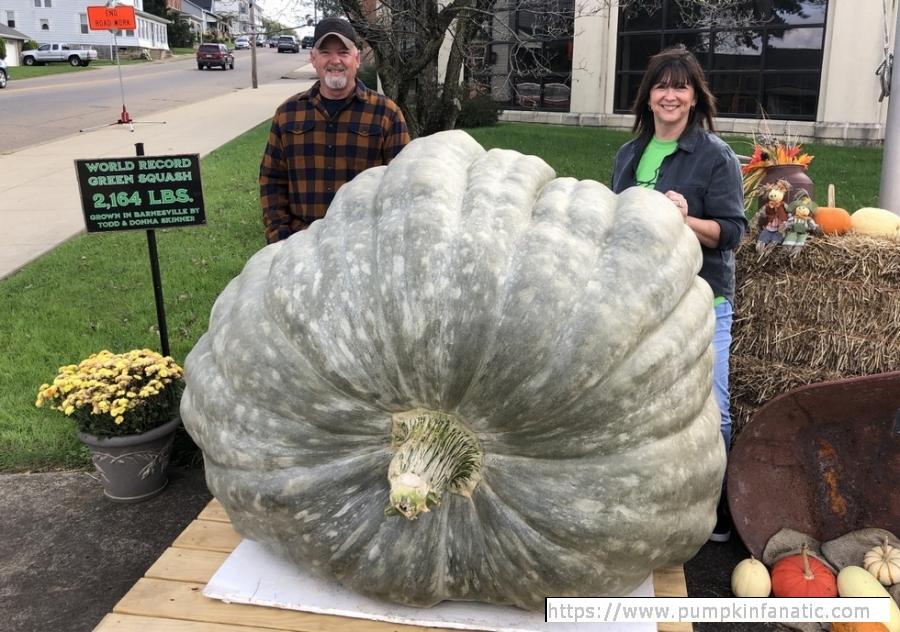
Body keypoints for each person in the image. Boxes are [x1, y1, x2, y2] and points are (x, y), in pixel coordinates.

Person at [611, 46, 748, 542]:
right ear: (648, 97)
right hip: (644, 305)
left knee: (713, 405)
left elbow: (732, 231)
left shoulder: (715, 156)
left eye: (681, 87)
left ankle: (713, 507)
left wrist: (683, 218)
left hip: (702, 300)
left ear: (694, 98)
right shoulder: (629, 156)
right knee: (641, 404)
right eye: (661, 86)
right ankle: (651, 499)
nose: (670, 95)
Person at [259, 17, 410, 244]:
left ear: (357, 58)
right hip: (301, 245)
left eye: (343, 52)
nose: (335, 60)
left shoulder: (386, 114)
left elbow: (402, 184)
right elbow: (272, 180)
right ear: (313, 58)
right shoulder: (288, 114)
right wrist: (281, 240)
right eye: (325, 53)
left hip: (362, 246)